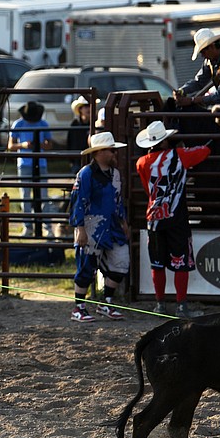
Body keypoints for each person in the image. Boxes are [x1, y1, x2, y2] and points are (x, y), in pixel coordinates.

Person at [134, 120, 211, 319]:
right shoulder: (180, 155)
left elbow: (147, 189)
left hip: (154, 217)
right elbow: (204, 151)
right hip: (177, 217)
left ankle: (160, 304)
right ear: (165, 140)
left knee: (157, 263)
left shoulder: (141, 162)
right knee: (181, 261)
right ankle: (181, 306)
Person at [69, 131, 130, 323]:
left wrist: (123, 222)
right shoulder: (86, 174)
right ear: (100, 152)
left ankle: (106, 302)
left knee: (121, 262)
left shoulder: (115, 174)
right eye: (111, 150)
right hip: (91, 225)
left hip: (112, 225)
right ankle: (79, 307)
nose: (114, 153)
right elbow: (78, 201)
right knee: (87, 266)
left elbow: (118, 201)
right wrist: (80, 228)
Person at [8, 100, 53, 237]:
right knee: (25, 196)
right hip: (24, 163)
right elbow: (10, 146)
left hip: (41, 162)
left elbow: (49, 144)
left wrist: (39, 145)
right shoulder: (18, 124)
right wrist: (23, 145)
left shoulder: (43, 124)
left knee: (43, 196)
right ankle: (28, 227)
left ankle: (47, 227)